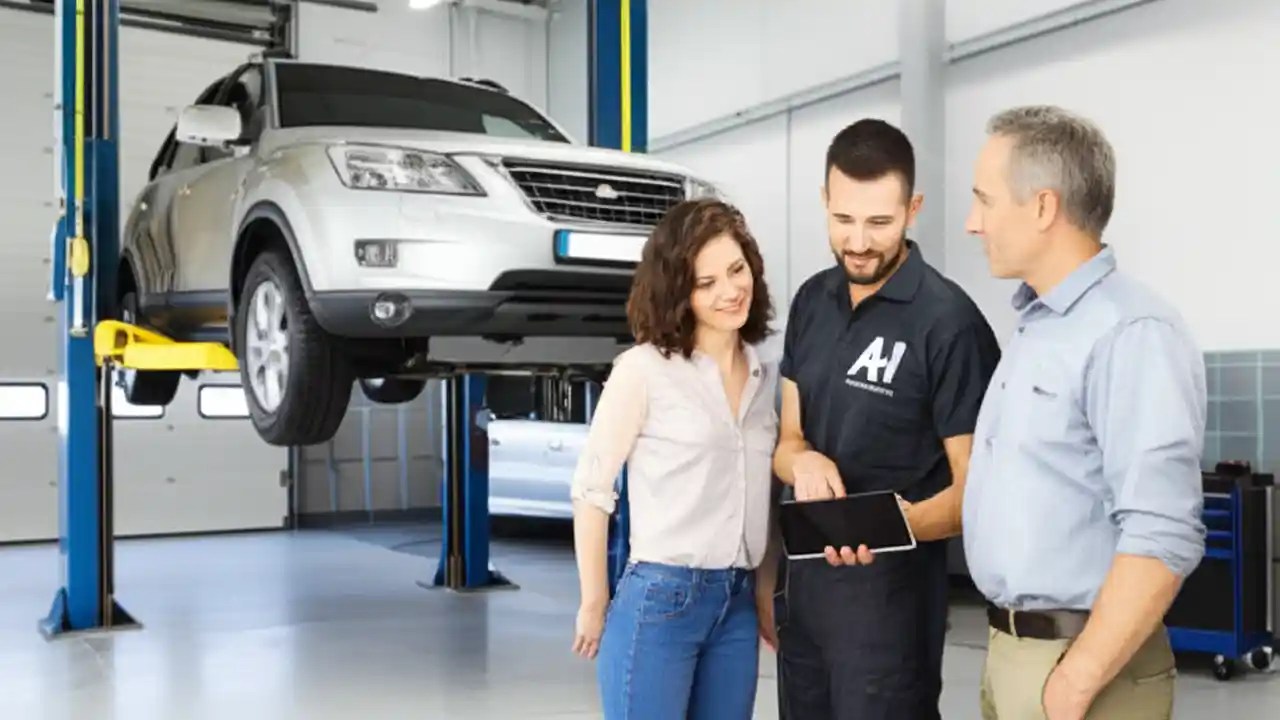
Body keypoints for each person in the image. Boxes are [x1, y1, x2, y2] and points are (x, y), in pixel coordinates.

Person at [961, 105, 1207, 720]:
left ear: (1043, 207)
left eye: (985, 201)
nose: (972, 223)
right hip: (1014, 653)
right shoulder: (1038, 328)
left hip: (1082, 668)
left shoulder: (1130, 331)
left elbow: (1163, 530)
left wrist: (1075, 682)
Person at [763, 118, 1001, 719]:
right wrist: (805, 459)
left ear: (912, 208)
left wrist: (885, 530)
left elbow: (977, 491)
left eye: (879, 222)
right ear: (824, 202)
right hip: (806, 605)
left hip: (890, 614)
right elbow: (787, 441)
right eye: (843, 221)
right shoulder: (811, 302)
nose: (859, 242)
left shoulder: (948, 323)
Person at [569, 198, 779, 719]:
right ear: (679, 293)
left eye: (736, 270)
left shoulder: (764, 374)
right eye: (706, 283)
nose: (731, 291)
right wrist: (593, 602)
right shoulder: (644, 371)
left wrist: (766, 593)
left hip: (737, 602)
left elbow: (763, 499)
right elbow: (591, 492)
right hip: (662, 600)